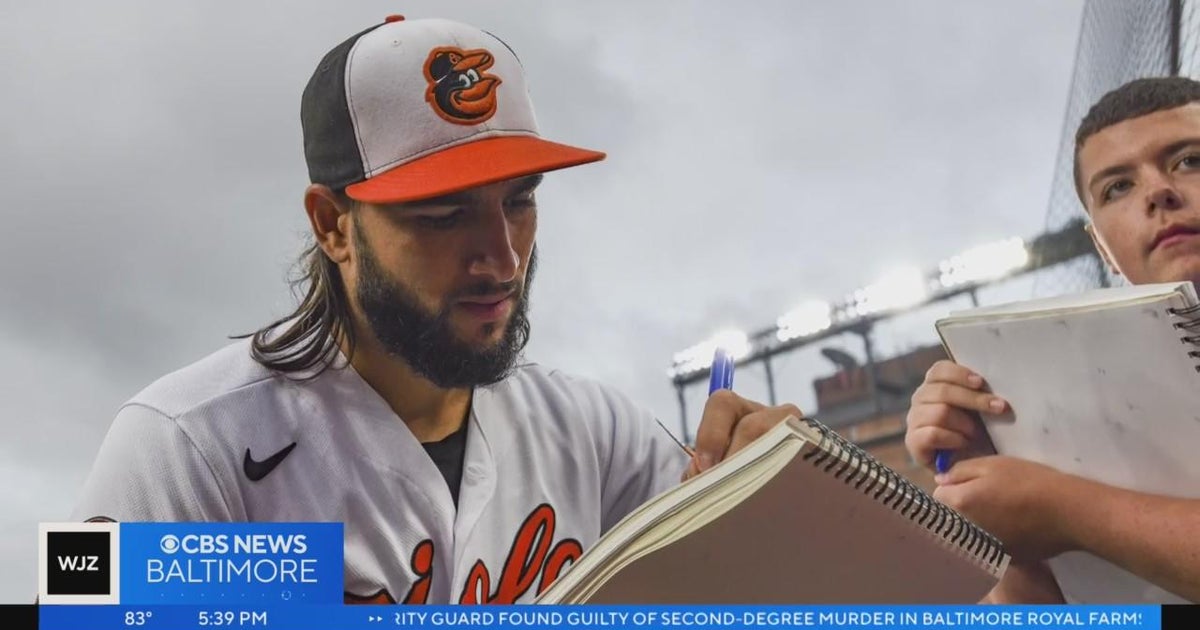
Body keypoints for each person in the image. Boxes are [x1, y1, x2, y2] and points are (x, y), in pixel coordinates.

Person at [71, 16, 801, 604]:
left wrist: (783, 497)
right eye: (444, 216)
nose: (503, 258)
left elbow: (755, 585)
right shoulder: (184, 445)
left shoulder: (596, 434)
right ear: (332, 225)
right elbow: (82, 593)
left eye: (519, 202)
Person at [905, 76, 1200, 604]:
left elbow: (1070, 511)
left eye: (1189, 160)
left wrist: (1067, 509)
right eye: (1117, 187)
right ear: (1103, 249)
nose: (1157, 191)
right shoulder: (1074, 401)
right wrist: (997, 499)